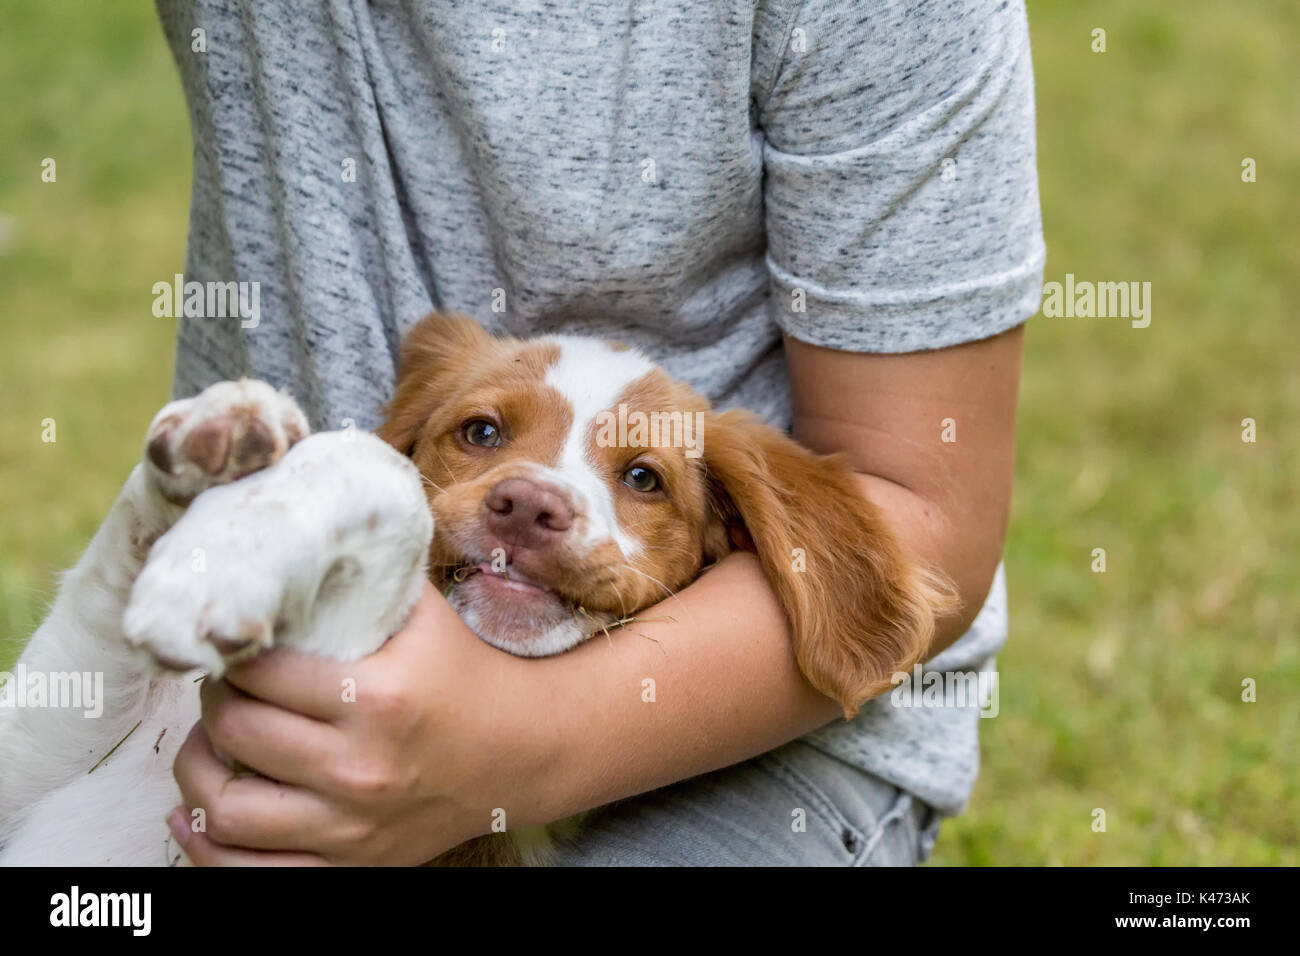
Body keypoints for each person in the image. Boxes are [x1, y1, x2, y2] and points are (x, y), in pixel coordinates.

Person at [158, 0, 1044, 865]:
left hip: (736, 731)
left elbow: (921, 513)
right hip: (267, 618)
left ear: (730, 528)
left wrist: (506, 744)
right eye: (479, 433)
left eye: (645, 479)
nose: (530, 495)